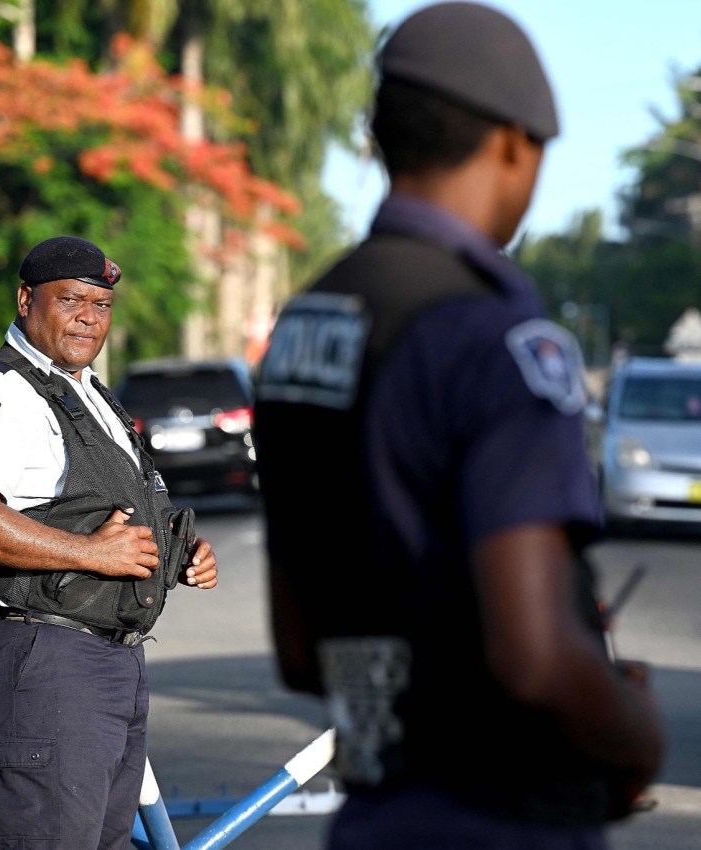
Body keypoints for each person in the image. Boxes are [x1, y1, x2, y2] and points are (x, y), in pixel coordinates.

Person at [252, 3, 666, 848]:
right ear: (515, 143)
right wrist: (633, 732)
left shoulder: (307, 323)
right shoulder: (492, 335)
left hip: (373, 818)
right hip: (505, 821)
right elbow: (534, 656)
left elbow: (301, 652)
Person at [0, 235, 218, 850]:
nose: (90, 316)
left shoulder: (86, 390)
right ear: (25, 300)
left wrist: (180, 557)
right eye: (70, 300)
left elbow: (107, 509)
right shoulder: (5, 394)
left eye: (102, 304)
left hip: (107, 661)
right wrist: (92, 555)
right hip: (45, 663)